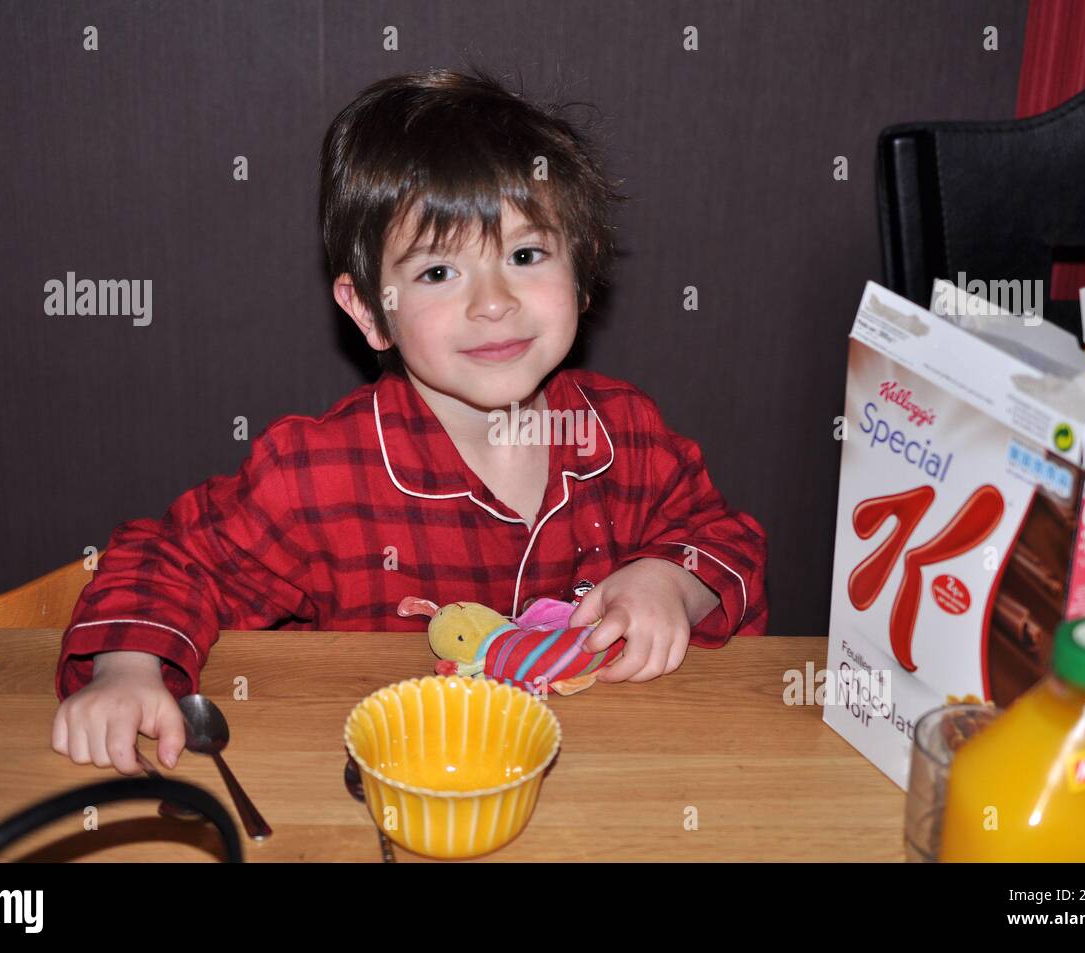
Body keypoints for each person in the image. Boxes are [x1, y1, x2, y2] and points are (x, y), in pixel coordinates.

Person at [52, 65, 769, 776]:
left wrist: (671, 580)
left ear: (580, 275)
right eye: (437, 272)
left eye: (526, 255)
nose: (494, 301)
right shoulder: (318, 473)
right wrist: (126, 671)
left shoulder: (626, 433)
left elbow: (726, 540)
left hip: (596, 795)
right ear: (369, 310)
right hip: (384, 803)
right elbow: (171, 558)